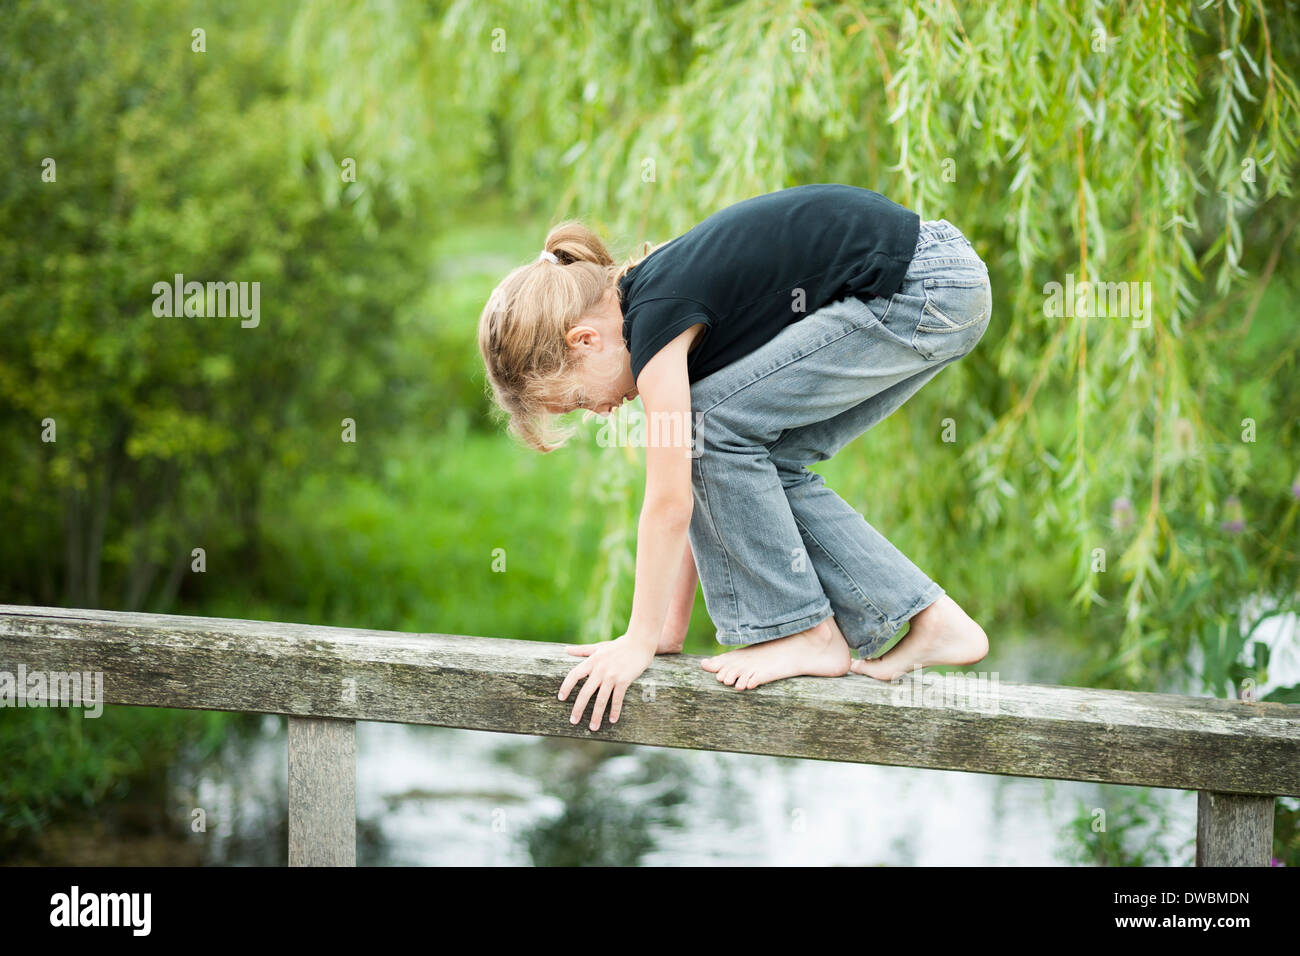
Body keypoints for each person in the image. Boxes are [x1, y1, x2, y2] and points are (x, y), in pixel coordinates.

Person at [477, 183, 991, 732]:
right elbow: (710, 489)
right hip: (937, 285)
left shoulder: (653, 320)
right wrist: (667, 632)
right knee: (748, 449)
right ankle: (932, 619)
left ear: (584, 340)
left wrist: (637, 640)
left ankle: (808, 635)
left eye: (580, 399)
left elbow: (670, 501)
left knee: (708, 428)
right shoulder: (657, 312)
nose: (600, 411)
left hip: (919, 286)